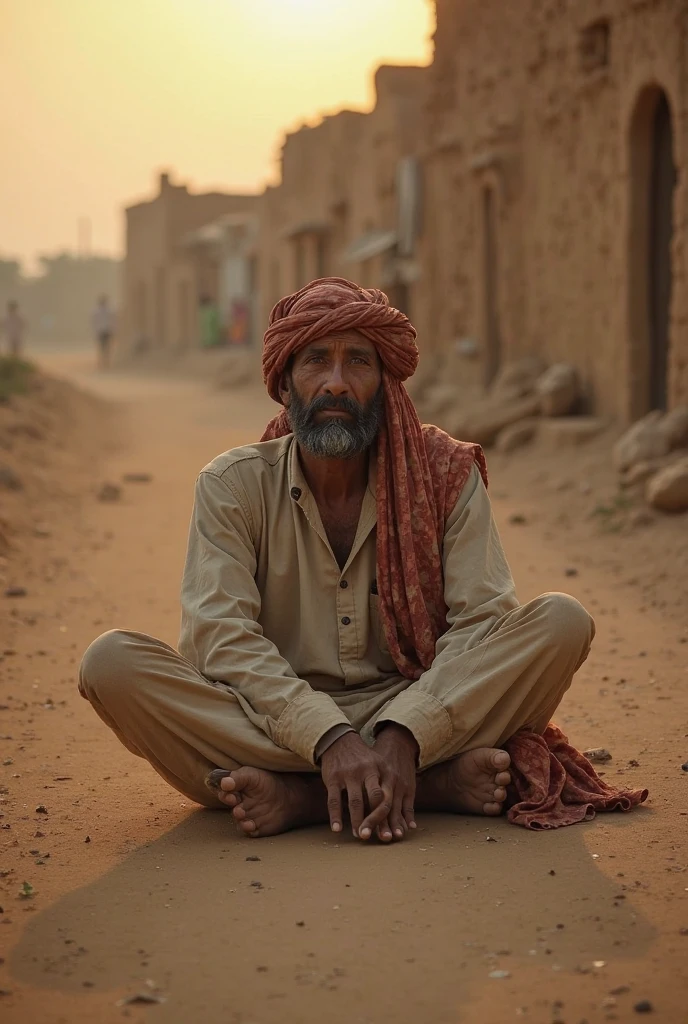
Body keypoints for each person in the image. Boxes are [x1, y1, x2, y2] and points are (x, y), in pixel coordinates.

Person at [79, 278, 646, 841]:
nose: (337, 384)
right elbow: (219, 637)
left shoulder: (444, 475)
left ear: (385, 383)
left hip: (417, 702)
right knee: (111, 664)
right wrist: (327, 736)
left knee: (562, 622)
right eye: (316, 362)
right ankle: (428, 787)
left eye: (358, 363)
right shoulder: (233, 485)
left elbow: (482, 620)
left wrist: (404, 732)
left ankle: (303, 795)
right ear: (286, 383)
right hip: (274, 716)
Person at [91, 295, 115, 369]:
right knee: (104, 347)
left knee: (105, 347)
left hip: (105, 331)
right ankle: (104, 362)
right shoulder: (101, 311)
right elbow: (94, 322)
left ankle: (105, 362)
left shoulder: (107, 311)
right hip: (103, 331)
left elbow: (112, 321)